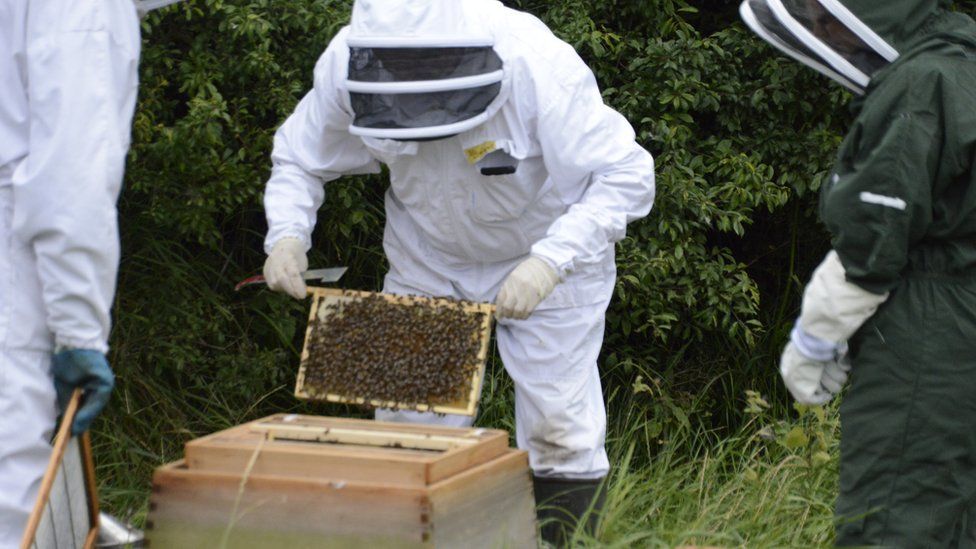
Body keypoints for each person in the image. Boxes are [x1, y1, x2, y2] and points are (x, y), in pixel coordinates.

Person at [262, 0, 655, 542]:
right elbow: (301, 156)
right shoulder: (348, 61)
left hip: (550, 248)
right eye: (397, 71)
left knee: (558, 425)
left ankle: (564, 540)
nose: (410, 83)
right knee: (408, 428)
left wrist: (548, 262)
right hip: (427, 255)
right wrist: (285, 234)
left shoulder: (535, 59)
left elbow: (626, 175)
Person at [741, 0, 976, 545]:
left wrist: (817, 336)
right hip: (956, 318)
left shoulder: (923, 81)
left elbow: (876, 228)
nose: (825, 33)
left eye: (826, 16)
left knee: (893, 513)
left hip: (931, 331)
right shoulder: (961, 65)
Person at [0, 0, 142, 545]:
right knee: (15, 483)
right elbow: (71, 182)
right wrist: (79, 333)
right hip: (16, 261)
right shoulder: (86, 9)